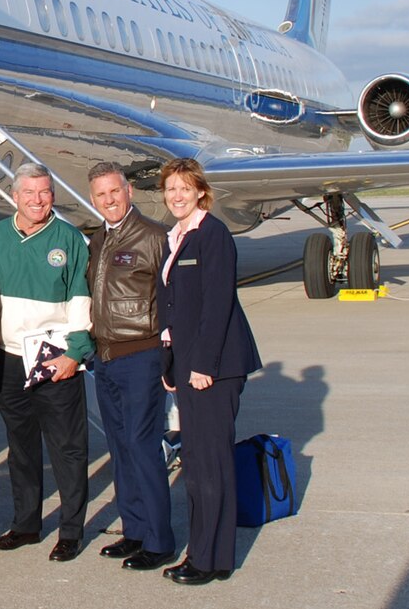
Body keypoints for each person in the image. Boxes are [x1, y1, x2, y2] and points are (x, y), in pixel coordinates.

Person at [156, 158, 262, 585]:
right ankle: (203, 553)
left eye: (184, 188)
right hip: (190, 364)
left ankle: (211, 559)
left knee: (211, 464)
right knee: (196, 463)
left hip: (214, 367)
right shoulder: (177, 236)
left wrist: (202, 366)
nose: (176, 196)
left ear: (201, 191)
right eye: (169, 190)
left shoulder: (212, 234)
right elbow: (175, 308)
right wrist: (172, 365)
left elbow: (217, 305)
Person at [0, 162, 93, 562]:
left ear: (54, 195)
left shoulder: (71, 239)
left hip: (54, 359)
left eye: (44, 192)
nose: (37, 200)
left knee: (67, 448)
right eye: (29, 192)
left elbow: (81, 299)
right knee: (22, 447)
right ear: (14, 196)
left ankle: (71, 530)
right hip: (9, 360)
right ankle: (26, 524)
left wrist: (75, 355)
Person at [84, 161, 177, 571]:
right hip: (105, 358)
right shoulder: (98, 240)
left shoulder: (155, 237)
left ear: (129, 192)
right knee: (121, 449)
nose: (109, 200)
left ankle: (160, 540)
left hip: (141, 355)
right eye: (101, 195)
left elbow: (173, 298)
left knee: (143, 447)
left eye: (115, 192)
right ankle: (135, 530)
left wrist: (171, 357)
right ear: (93, 200)